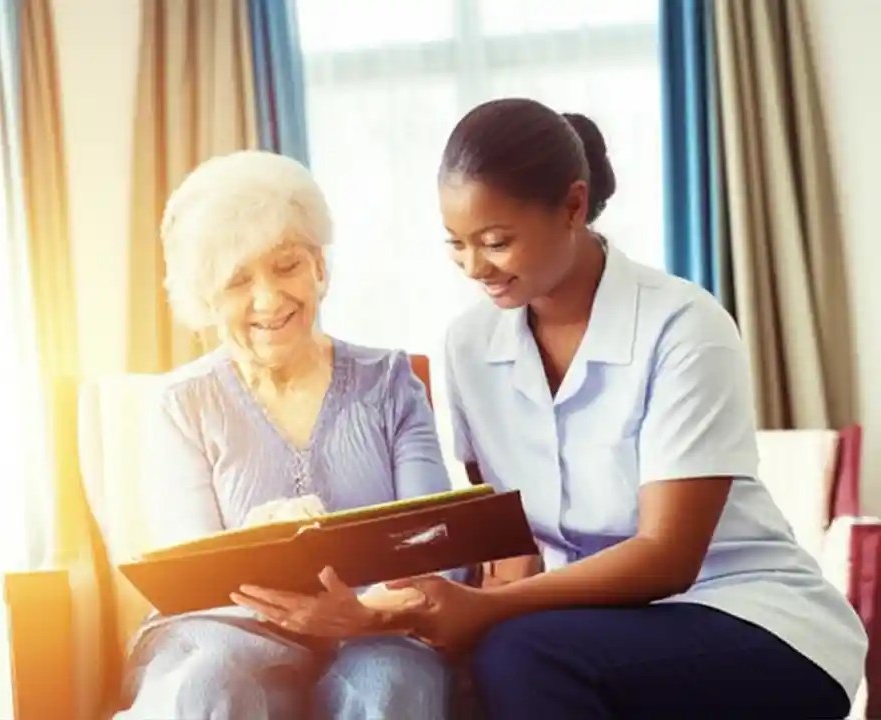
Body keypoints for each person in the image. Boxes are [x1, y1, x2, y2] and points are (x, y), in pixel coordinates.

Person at [232, 98, 867, 719]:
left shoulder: (683, 325)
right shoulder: (471, 346)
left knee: (517, 654)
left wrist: (483, 613)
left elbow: (669, 555)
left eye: (496, 241)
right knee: (478, 662)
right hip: (588, 632)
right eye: (456, 244)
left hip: (754, 620)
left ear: (573, 206)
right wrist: (390, 615)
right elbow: (514, 548)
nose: (474, 267)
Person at [116, 150, 458, 720]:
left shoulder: (391, 382)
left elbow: (437, 549)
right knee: (210, 681)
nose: (270, 299)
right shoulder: (183, 404)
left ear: (320, 266)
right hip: (228, 634)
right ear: (206, 299)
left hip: (373, 627)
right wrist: (259, 552)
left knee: (389, 683)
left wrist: (366, 611)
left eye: (286, 265)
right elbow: (191, 575)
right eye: (237, 279)